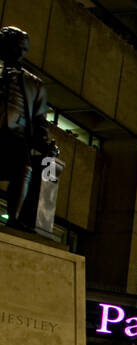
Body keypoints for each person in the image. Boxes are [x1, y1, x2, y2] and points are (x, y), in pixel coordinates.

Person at [0, 26, 57, 232]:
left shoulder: (34, 84)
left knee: (24, 168)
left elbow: (40, 120)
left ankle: (13, 220)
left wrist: (45, 142)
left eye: (24, 49)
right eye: (16, 48)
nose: (21, 53)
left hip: (15, 138)